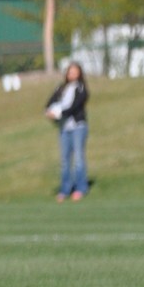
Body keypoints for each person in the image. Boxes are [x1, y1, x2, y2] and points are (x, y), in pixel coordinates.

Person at [45, 62, 89, 201]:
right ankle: (65, 189)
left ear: (79, 73)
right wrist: (49, 112)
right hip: (64, 128)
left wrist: (59, 113)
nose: (72, 74)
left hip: (78, 127)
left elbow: (75, 107)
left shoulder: (81, 89)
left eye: (75, 71)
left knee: (78, 159)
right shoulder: (61, 88)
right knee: (64, 160)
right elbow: (49, 103)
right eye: (70, 71)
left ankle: (80, 188)